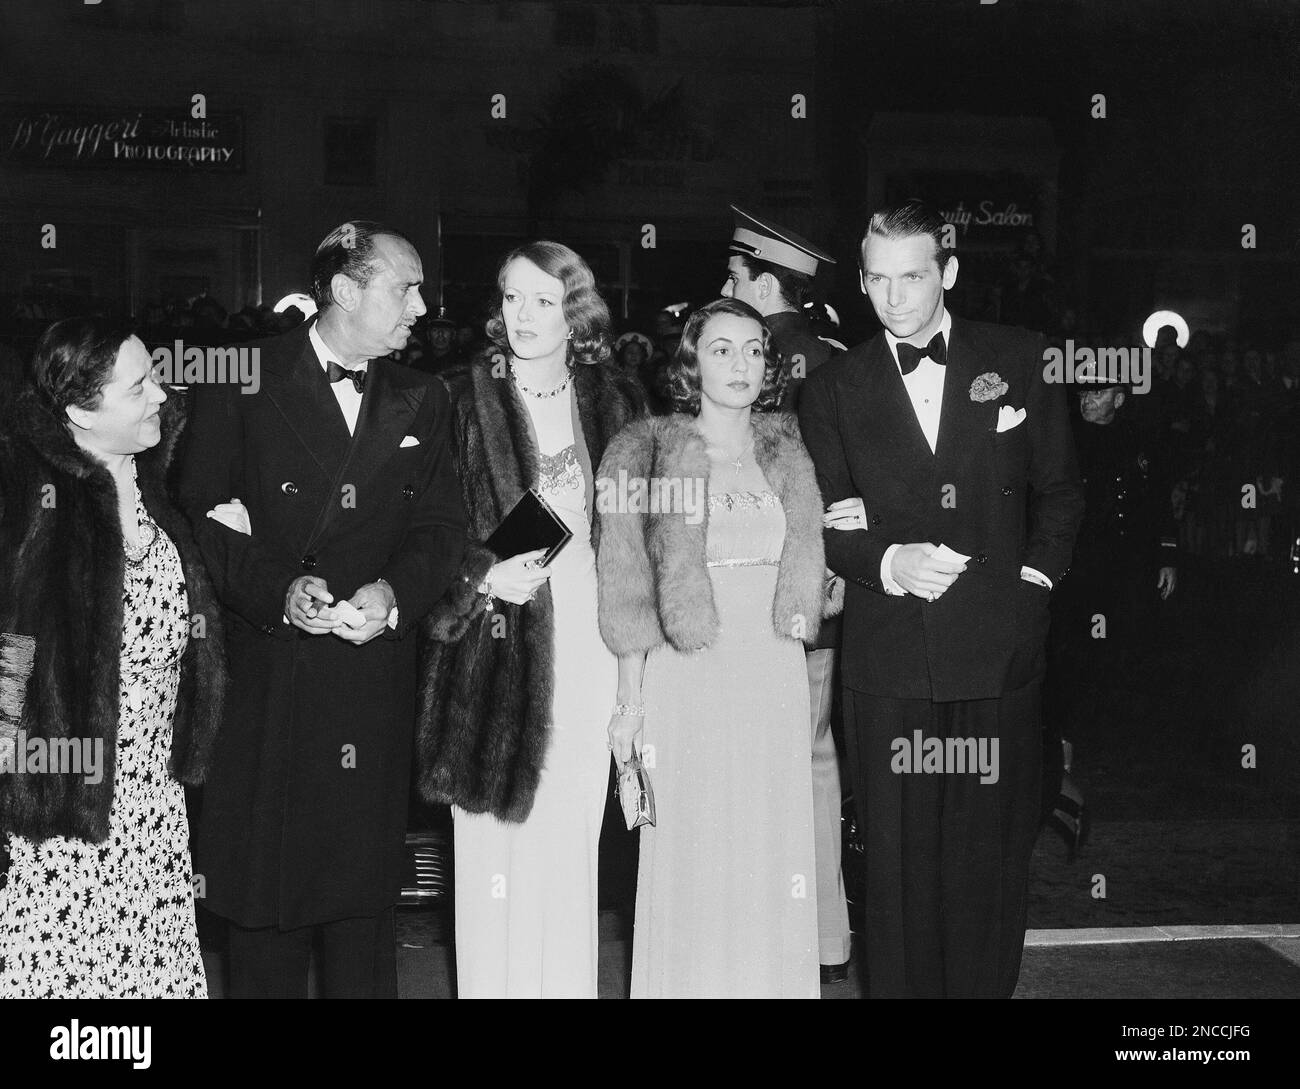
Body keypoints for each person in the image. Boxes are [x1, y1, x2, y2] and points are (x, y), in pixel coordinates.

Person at [799, 200, 1084, 998]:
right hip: (890, 659)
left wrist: (1033, 585)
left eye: (913, 277)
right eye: (878, 280)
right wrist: (886, 555)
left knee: (989, 859)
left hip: (1000, 652)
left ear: (949, 273)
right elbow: (824, 522)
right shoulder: (830, 388)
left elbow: (1060, 493)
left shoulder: (1021, 357)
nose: (894, 299)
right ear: (861, 280)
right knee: (893, 867)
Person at [178, 221, 467, 998]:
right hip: (268, 677)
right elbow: (196, 513)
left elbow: (443, 528)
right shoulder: (241, 377)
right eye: (404, 287)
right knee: (266, 901)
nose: (422, 304)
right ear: (345, 290)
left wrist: (393, 594)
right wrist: (277, 588)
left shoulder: (425, 396)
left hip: (369, 678)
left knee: (360, 909)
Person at [416, 241, 642, 998]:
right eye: (512, 297)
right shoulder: (454, 399)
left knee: (570, 845)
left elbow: (641, 542)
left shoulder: (618, 402)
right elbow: (418, 533)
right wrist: (480, 573)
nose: (524, 316)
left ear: (577, 311)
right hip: (490, 646)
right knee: (491, 855)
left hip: (588, 649)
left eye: (545, 300)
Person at [598, 297, 829, 998]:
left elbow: (816, 562)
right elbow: (626, 586)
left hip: (774, 675)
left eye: (755, 349)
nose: (741, 363)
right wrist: (629, 704)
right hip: (686, 677)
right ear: (690, 359)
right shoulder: (642, 448)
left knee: (768, 852)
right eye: (721, 348)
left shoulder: (792, 448)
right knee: (692, 856)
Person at [0, 317, 228, 997]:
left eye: (155, 376)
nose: (161, 394)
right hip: (62, 806)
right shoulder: (31, 506)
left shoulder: (158, 488)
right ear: (79, 411)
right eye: (139, 387)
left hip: (153, 804)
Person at [720, 205, 852, 980]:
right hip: (811, 599)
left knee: (784, 761)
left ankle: (783, 928)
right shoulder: (832, 353)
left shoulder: (775, 360)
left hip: (778, 595)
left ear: (768, 282)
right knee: (811, 759)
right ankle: (822, 933)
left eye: (738, 274)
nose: (727, 283)